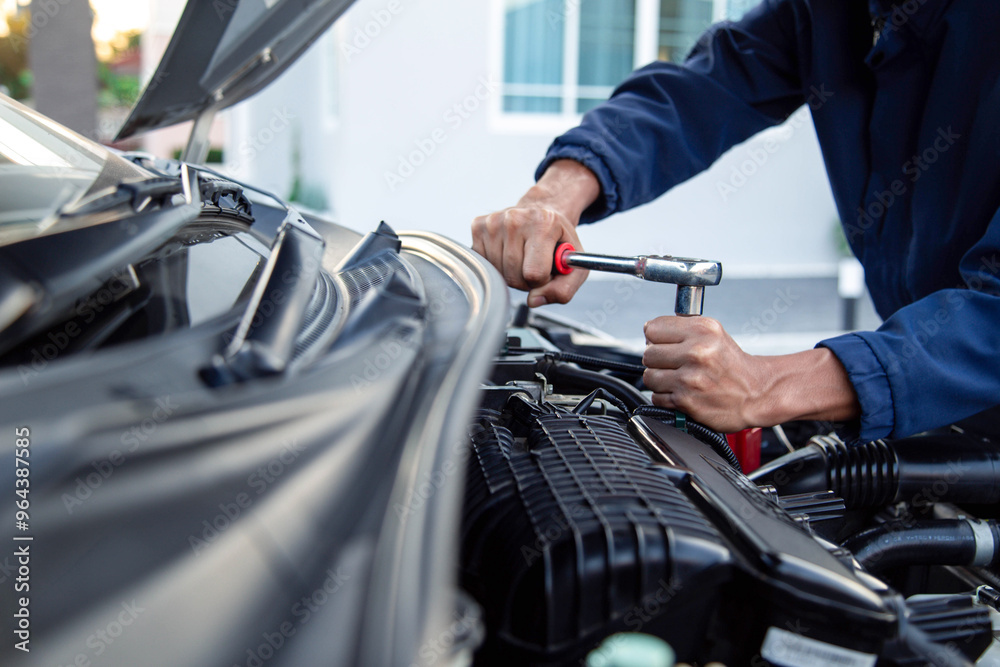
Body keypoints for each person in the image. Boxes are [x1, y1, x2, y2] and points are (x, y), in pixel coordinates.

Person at [471, 0, 1000, 443]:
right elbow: (704, 87)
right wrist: (557, 195)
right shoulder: (831, 11)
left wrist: (769, 385)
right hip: (924, 412)